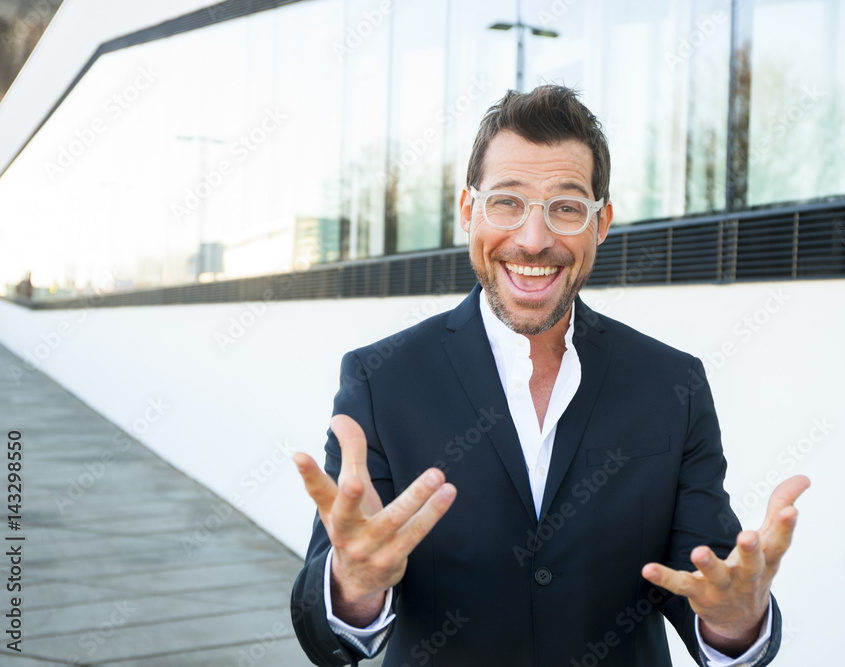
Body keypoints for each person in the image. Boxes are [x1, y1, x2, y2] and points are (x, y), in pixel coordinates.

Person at [291, 85, 809, 667]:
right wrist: (355, 589)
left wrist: (736, 623)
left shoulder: (673, 384)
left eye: (566, 208)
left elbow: (707, 580)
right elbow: (324, 631)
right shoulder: (380, 379)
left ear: (601, 223)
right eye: (507, 202)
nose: (533, 240)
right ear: (468, 211)